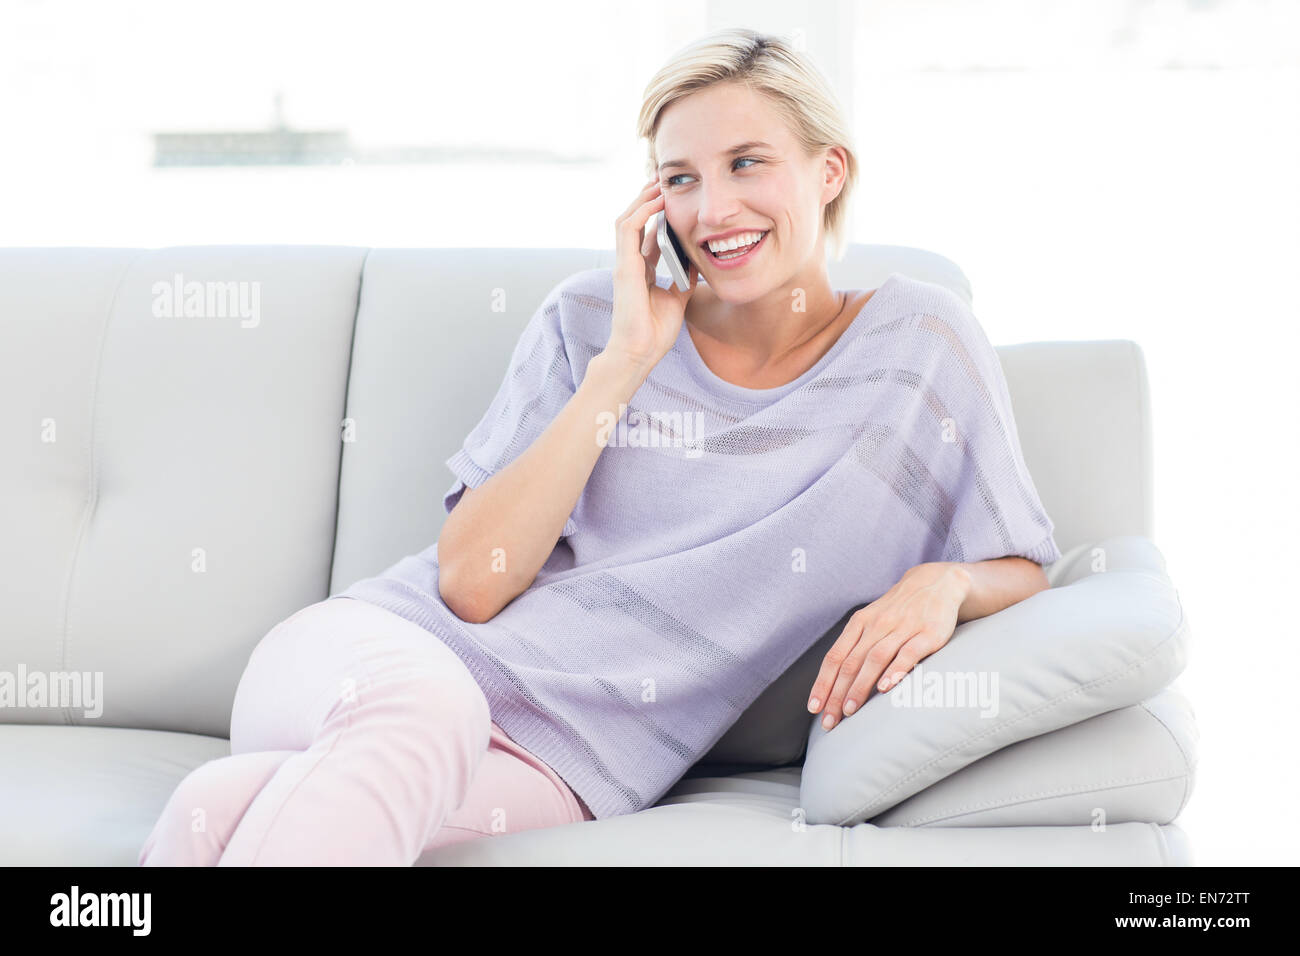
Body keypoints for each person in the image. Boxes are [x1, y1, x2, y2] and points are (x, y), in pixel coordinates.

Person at [139, 27, 1060, 867]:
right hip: (381, 658)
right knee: (423, 712)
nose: (715, 207)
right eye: (682, 178)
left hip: (568, 765)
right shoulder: (590, 322)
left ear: (829, 171)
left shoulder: (921, 347)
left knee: (213, 818)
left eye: (748, 163)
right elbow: (470, 584)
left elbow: (1022, 558)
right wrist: (625, 363)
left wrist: (944, 582)